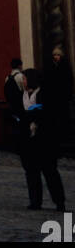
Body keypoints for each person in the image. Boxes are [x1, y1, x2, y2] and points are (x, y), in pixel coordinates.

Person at [19, 69, 66, 212]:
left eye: (25, 79)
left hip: (45, 140)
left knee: (50, 172)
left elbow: (46, 115)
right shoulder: (24, 95)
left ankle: (59, 202)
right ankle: (35, 201)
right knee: (32, 173)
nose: (23, 81)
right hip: (29, 140)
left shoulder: (44, 94)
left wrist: (30, 115)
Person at [42, 46, 73, 144]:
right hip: (53, 97)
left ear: (61, 56)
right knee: (55, 117)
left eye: (58, 55)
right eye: (54, 55)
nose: (56, 57)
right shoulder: (49, 66)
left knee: (63, 117)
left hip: (62, 96)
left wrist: (68, 94)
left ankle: (65, 136)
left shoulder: (65, 65)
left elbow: (69, 80)